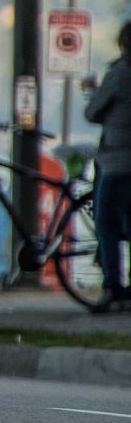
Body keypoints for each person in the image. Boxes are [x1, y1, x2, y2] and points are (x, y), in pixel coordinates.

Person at [87, 21, 131, 309]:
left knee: (105, 222)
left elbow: (93, 112)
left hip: (116, 161)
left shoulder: (119, 73)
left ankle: (112, 285)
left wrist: (93, 91)